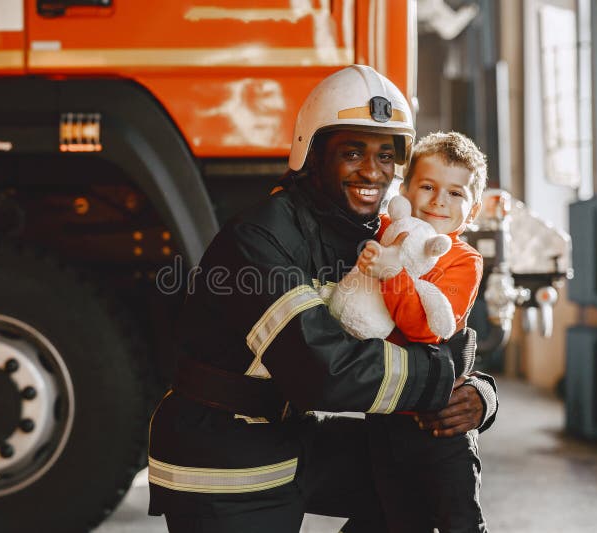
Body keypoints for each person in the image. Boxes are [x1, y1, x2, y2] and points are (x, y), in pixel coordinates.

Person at [147, 65, 498, 533]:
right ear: (311, 154)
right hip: (225, 456)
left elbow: (431, 330)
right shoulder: (260, 238)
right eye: (352, 152)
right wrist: (440, 381)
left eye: (386, 155)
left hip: (293, 432)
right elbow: (322, 370)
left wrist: (479, 396)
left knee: (425, 475)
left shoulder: (364, 231)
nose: (373, 171)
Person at [358, 131, 489, 532]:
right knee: (400, 520)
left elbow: (423, 329)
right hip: (386, 416)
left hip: (441, 422)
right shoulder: (385, 234)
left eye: (455, 194)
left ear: (472, 211)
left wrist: (390, 272)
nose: (438, 201)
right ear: (405, 191)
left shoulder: (463, 260)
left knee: (459, 522)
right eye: (428, 187)